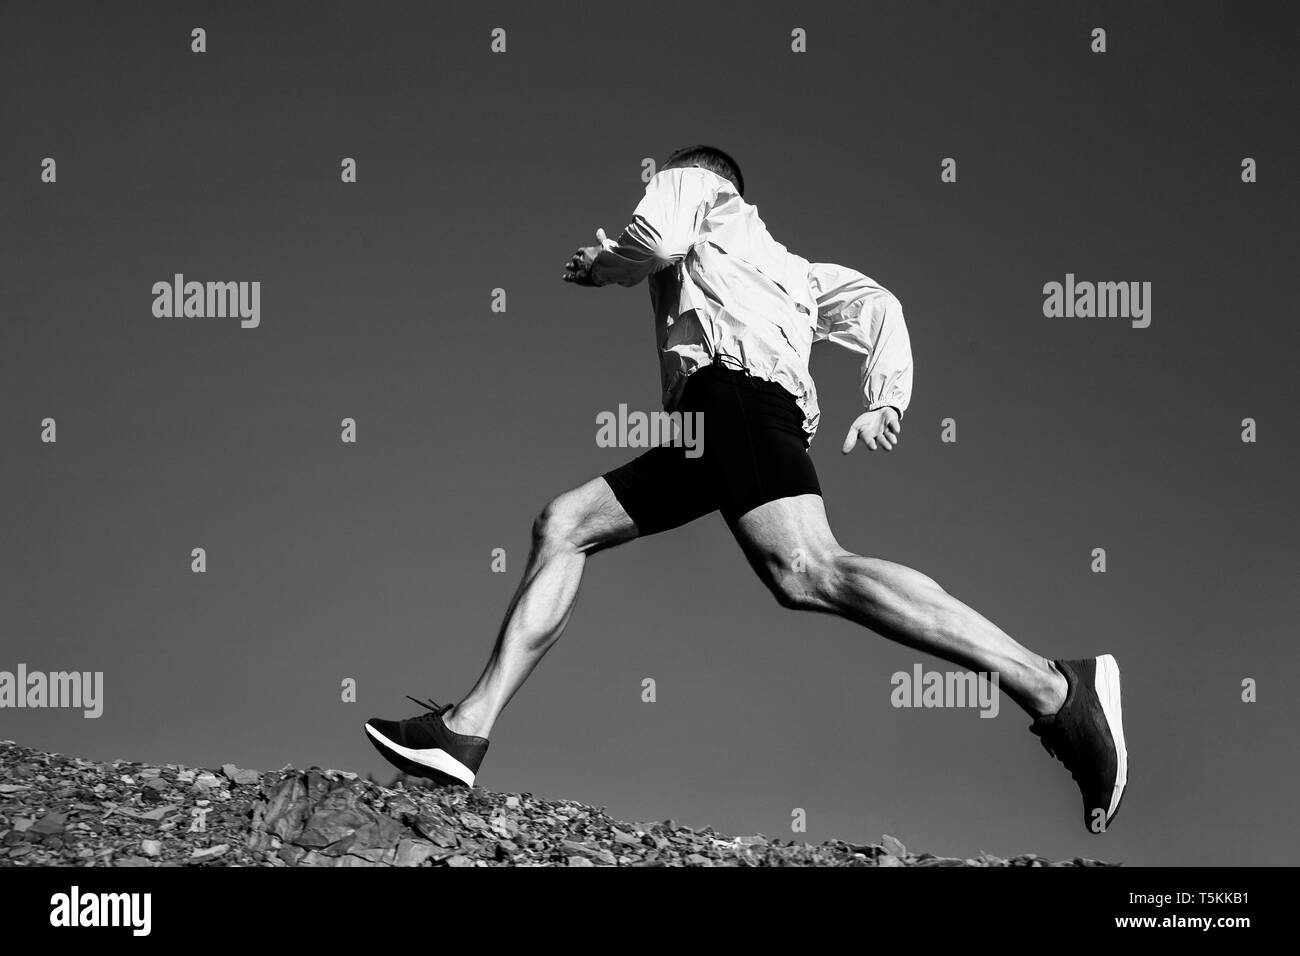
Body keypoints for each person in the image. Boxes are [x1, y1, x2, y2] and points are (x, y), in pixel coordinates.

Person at [365, 145, 1127, 833]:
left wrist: (605, 266)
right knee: (566, 524)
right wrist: (885, 400)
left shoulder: (690, 183)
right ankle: (466, 729)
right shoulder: (800, 273)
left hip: (732, 402)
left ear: (703, 180)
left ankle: (1057, 689)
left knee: (810, 570)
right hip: (719, 423)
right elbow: (882, 307)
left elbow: (656, 241)